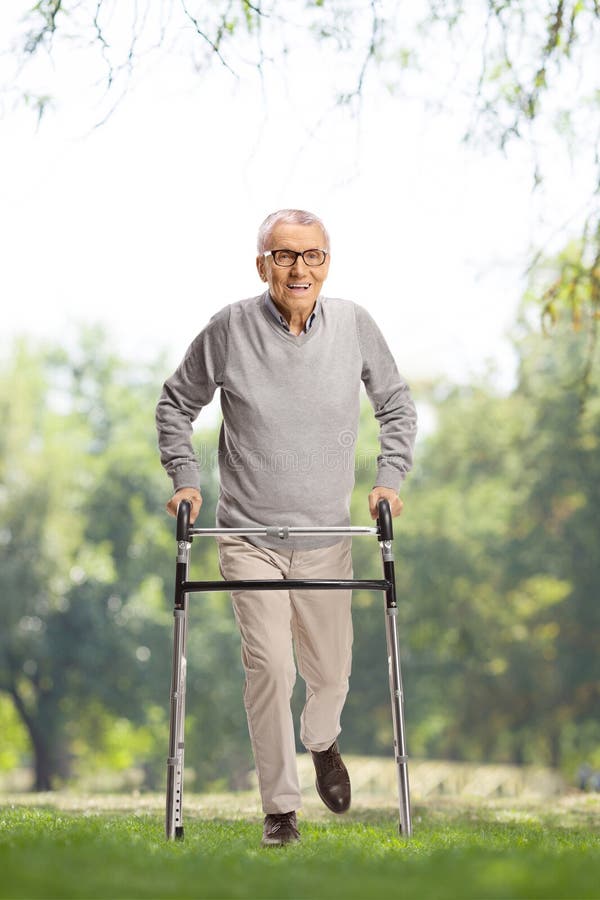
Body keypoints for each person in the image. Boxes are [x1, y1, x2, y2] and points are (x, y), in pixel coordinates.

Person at [155, 209, 417, 847]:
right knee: (270, 666)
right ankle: (281, 810)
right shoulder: (229, 328)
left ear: (328, 262)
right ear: (261, 263)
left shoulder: (354, 324)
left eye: (312, 256)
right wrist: (185, 478)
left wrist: (390, 479)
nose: (299, 269)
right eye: (284, 256)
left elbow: (396, 404)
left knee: (329, 676)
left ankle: (323, 740)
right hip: (247, 539)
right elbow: (175, 403)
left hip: (330, 538)